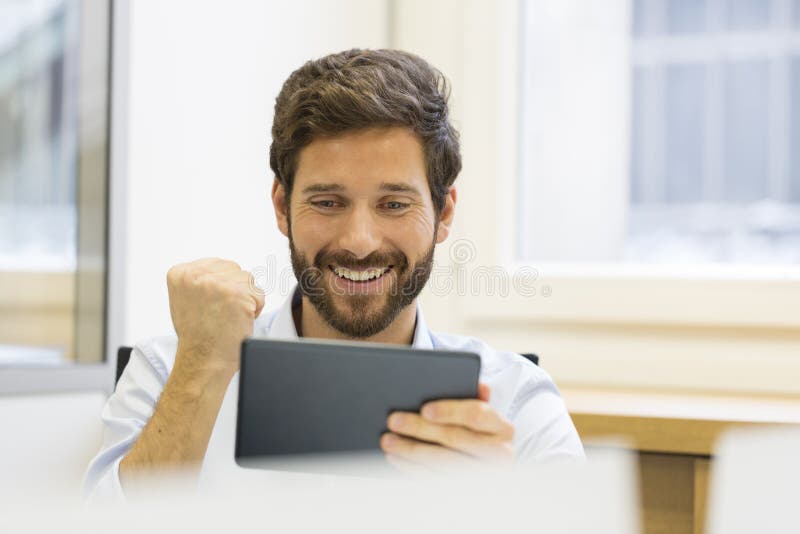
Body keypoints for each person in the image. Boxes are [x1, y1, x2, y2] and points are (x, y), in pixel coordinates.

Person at [84, 49, 583, 498]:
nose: (359, 241)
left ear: (444, 213)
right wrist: (199, 372)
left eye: (394, 203)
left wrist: (504, 511)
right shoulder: (172, 370)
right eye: (327, 202)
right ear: (283, 206)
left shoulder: (519, 403)